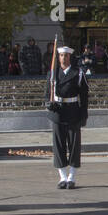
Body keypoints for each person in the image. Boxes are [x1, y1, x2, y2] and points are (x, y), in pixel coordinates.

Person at [45, 46, 88, 188]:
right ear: (58, 57)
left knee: (74, 145)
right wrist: (48, 104)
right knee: (59, 145)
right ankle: (62, 177)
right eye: (62, 55)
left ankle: (72, 177)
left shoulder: (78, 73)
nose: (64, 58)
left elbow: (84, 96)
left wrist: (83, 115)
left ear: (70, 57)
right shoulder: (53, 73)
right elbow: (47, 93)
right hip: (58, 112)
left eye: (66, 56)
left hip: (73, 111)